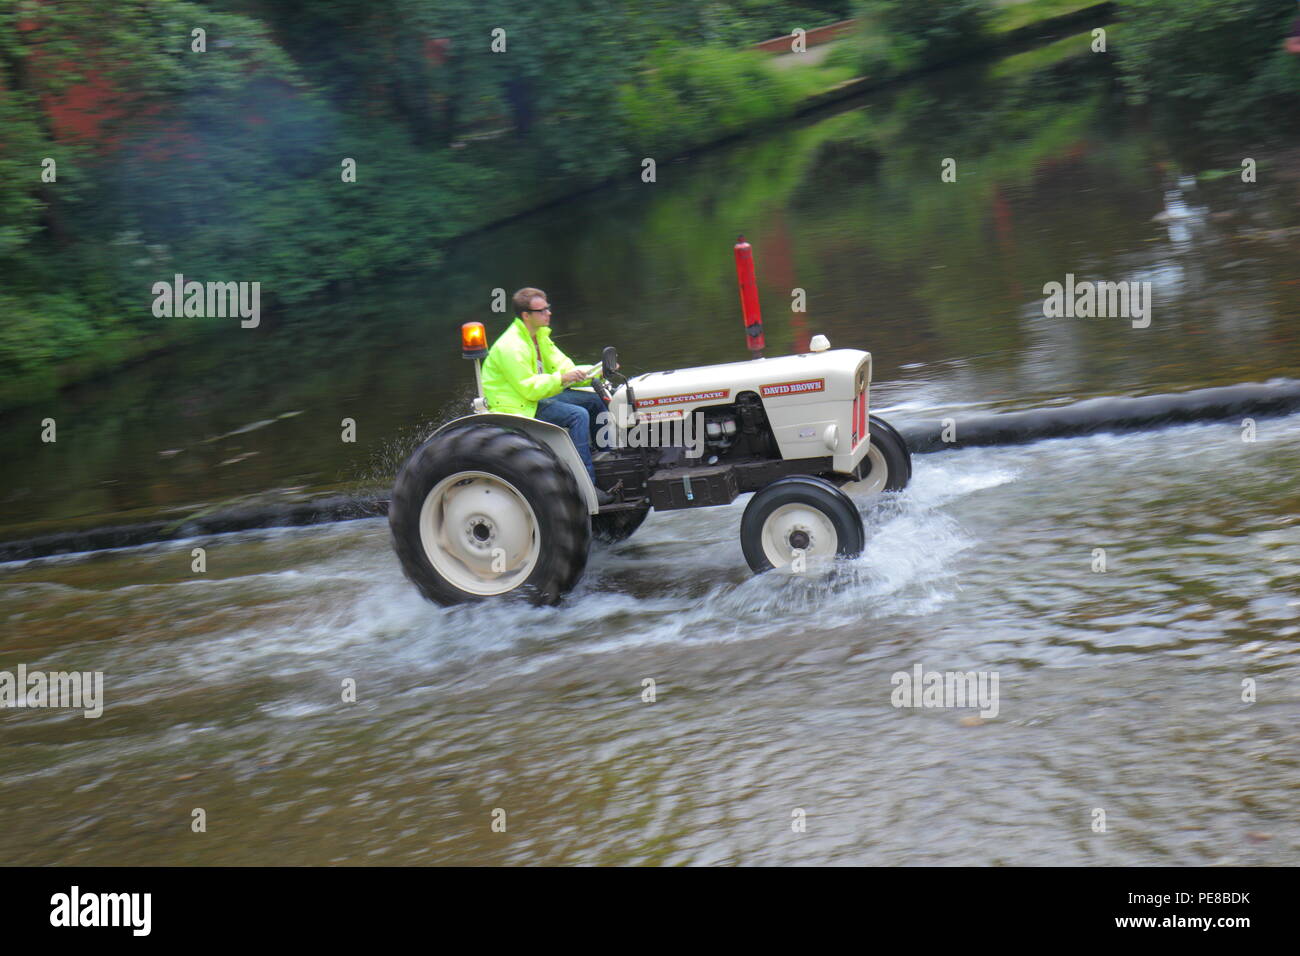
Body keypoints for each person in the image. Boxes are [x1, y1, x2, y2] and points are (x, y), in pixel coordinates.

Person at [480, 287, 615, 504]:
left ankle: (609, 461)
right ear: (526, 315)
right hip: (519, 406)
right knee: (578, 415)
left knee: (594, 401)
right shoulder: (511, 347)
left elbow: (566, 368)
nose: (548, 313)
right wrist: (562, 378)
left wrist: (595, 372)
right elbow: (529, 388)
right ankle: (586, 488)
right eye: (542, 310)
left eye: (548, 308)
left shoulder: (540, 336)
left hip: (537, 397)